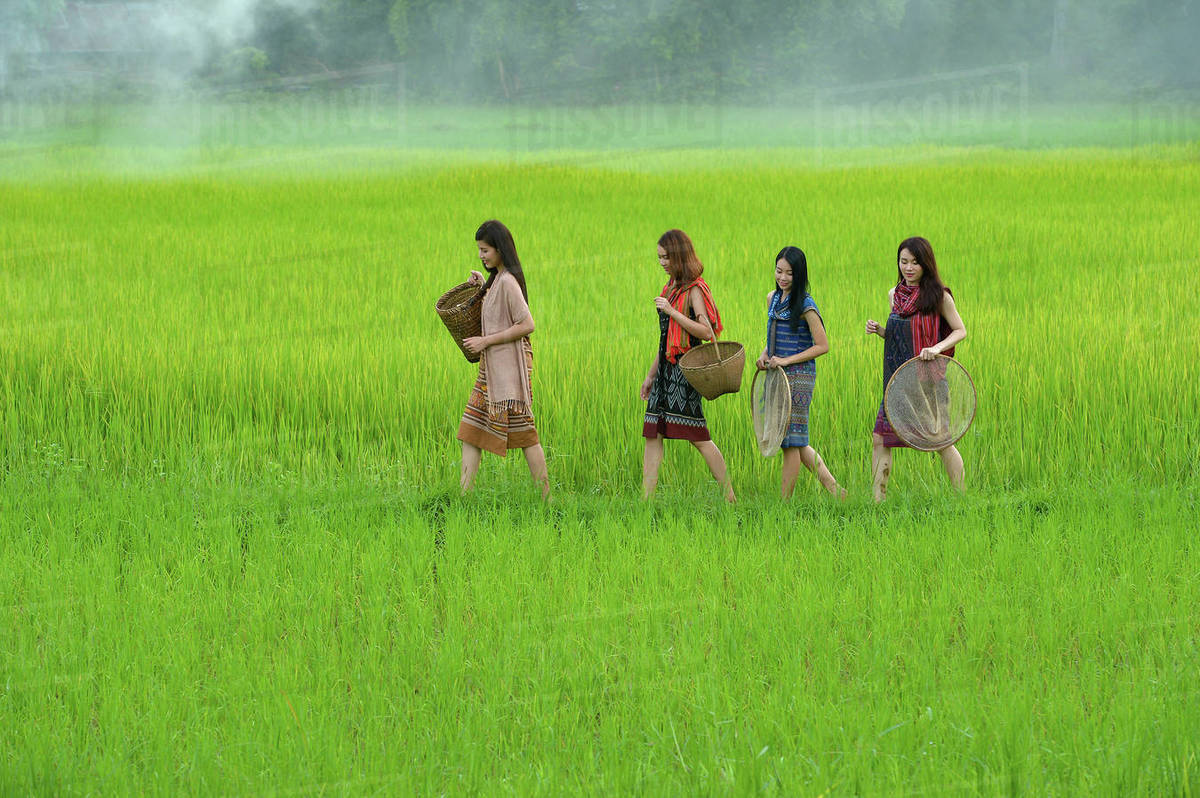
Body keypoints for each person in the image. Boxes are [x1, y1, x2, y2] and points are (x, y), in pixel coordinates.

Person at [865, 236, 967, 502]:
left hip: (927, 381)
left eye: (915, 262)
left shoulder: (939, 296)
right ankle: (878, 503)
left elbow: (960, 330)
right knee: (880, 438)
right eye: (904, 262)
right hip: (897, 381)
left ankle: (962, 498)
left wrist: (936, 348)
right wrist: (881, 331)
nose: (908, 268)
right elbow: (901, 336)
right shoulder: (895, 295)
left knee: (940, 440)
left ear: (926, 264)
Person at [457, 220, 550, 500]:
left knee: (526, 435)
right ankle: (465, 496)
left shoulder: (508, 282)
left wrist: (485, 341)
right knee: (471, 429)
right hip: (493, 371)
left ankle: (546, 498)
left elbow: (527, 324)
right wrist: (480, 285)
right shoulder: (498, 279)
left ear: (500, 249)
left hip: (509, 372)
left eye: (485, 250)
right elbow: (494, 308)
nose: (481, 255)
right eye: (479, 250)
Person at [641, 229, 735, 502]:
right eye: (659, 257)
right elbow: (665, 340)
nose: (662, 263)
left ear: (680, 256)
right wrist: (650, 376)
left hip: (685, 372)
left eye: (667, 257)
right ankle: (646, 500)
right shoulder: (670, 287)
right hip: (665, 372)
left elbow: (707, 333)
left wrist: (672, 312)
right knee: (653, 432)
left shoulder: (695, 289)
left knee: (698, 435)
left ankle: (730, 497)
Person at [754, 246, 845, 499]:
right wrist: (764, 355)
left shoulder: (806, 305)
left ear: (799, 274)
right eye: (779, 271)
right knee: (796, 440)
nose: (782, 277)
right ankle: (837, 491)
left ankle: (784, 504)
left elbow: (822, 346)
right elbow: (772, 337)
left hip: (798, 377)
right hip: (777, 375)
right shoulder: (772, 298)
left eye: (789, 273)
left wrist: (786, 360)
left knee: (790, 443)